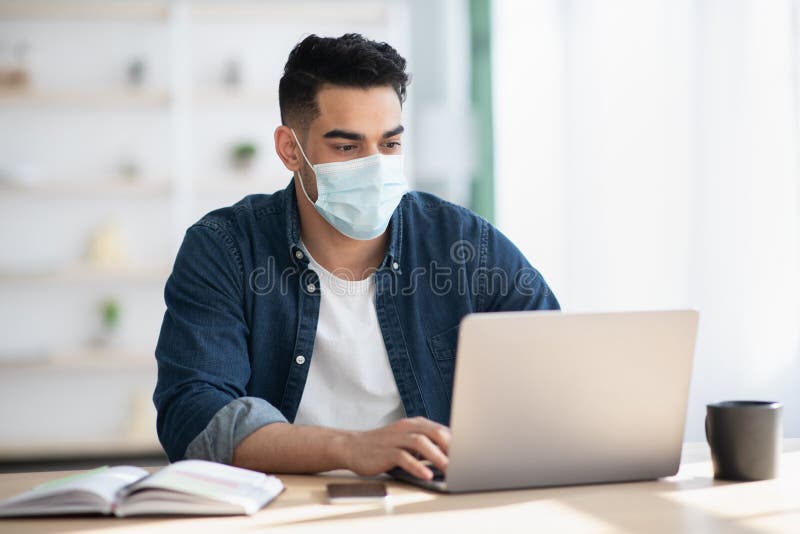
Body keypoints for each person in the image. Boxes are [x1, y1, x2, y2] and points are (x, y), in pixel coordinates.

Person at [154, 33, 559, 481]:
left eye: (389, 145)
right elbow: (193, 416)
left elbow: (558, 368)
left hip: (431, 505)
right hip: (281, 507)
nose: (375, 166)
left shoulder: (464, 244)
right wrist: (350, 448)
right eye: (347, 148)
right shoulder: (224, 248)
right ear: (291, 149)